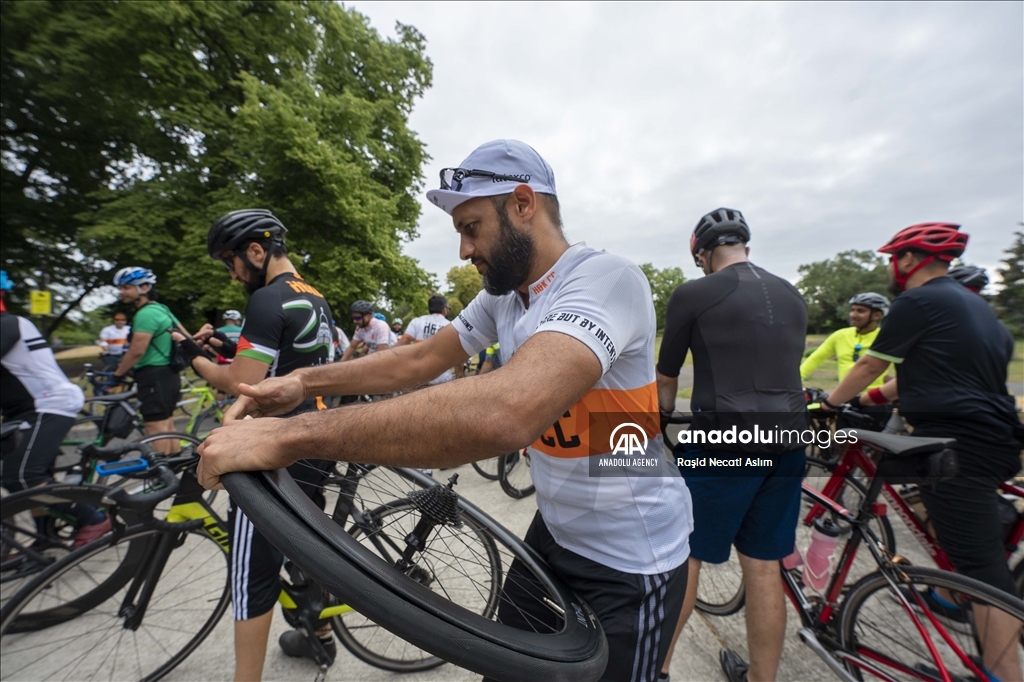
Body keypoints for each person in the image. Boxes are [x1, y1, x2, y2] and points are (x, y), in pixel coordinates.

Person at [198, 139, 693, 682]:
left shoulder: (605, 278)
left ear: (524, 204)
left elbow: (510, 411)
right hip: (554, 534)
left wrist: (289, 436)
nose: (463, 250)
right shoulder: (506, 295)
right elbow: (419, 359)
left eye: (471, 226)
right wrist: (301, 381)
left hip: (629, 555)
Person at [822, 222, 1022, 682]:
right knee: (959, 537)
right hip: (995, 436)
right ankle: (953, 595)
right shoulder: (976, 307)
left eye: (894, 258)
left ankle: (1002, 674)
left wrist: (830, 405)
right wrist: (866, 400)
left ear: (907, 260)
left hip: (958, 443)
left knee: (982, 571)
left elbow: (874, 363)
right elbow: (918, 375)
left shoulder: (919, 299)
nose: (893, 267)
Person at [171, 208, 338, 681]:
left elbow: (240, 383)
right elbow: (282, 358)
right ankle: (319, 635)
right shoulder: (314, 295)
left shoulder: (266, 299)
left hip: (272, 449)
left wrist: (195, 357)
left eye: (232, 262)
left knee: (251, 573)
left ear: (257, 251)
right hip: (314, 440)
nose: (232, 275)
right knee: (303, 548)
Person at [656, 208, 809, 682]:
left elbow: (667, 380)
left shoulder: (694, 293)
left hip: (724, 440)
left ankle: (654, 669)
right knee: (764, 568)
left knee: (687, 556)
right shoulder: (791, 293)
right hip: (789, 440)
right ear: (744, 244)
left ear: (700, 251)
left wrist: (660, 421)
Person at [0, 272, 108, 545]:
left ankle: (93, 518)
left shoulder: (10, 324)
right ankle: (44, 537)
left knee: (22, 477)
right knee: (35, 477)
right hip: (21, 410)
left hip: (48, 403)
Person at [110, 267, 182, 454]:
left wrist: (117, 374)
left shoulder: (145, 314)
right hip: (169, 374)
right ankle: (175, 467)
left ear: (143, 288)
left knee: (154, 428)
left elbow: (136, 351)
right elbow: (184, 334)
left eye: (126, 287)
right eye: (121, 288)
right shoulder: (161, 309)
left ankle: (163, 472)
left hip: (153, 375)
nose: (122, 292)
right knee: (167, 423)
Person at [800, 292, 893, 429]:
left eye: (860, 311)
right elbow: (814, 359)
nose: (853, 314)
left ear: (877, 315)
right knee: (841, 443)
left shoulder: (885, 337)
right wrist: (794, 381)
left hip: (874, 401)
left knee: (873, 445)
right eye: (852, 310)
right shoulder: (840, 335)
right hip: (846, 398)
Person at [396, 296, 458, 385]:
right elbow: (457, 353)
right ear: (444, 309)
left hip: (419, 377)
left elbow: (404, 341)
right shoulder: (451, 325)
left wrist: (383, 356)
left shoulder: (417, 321)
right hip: (442, 378)